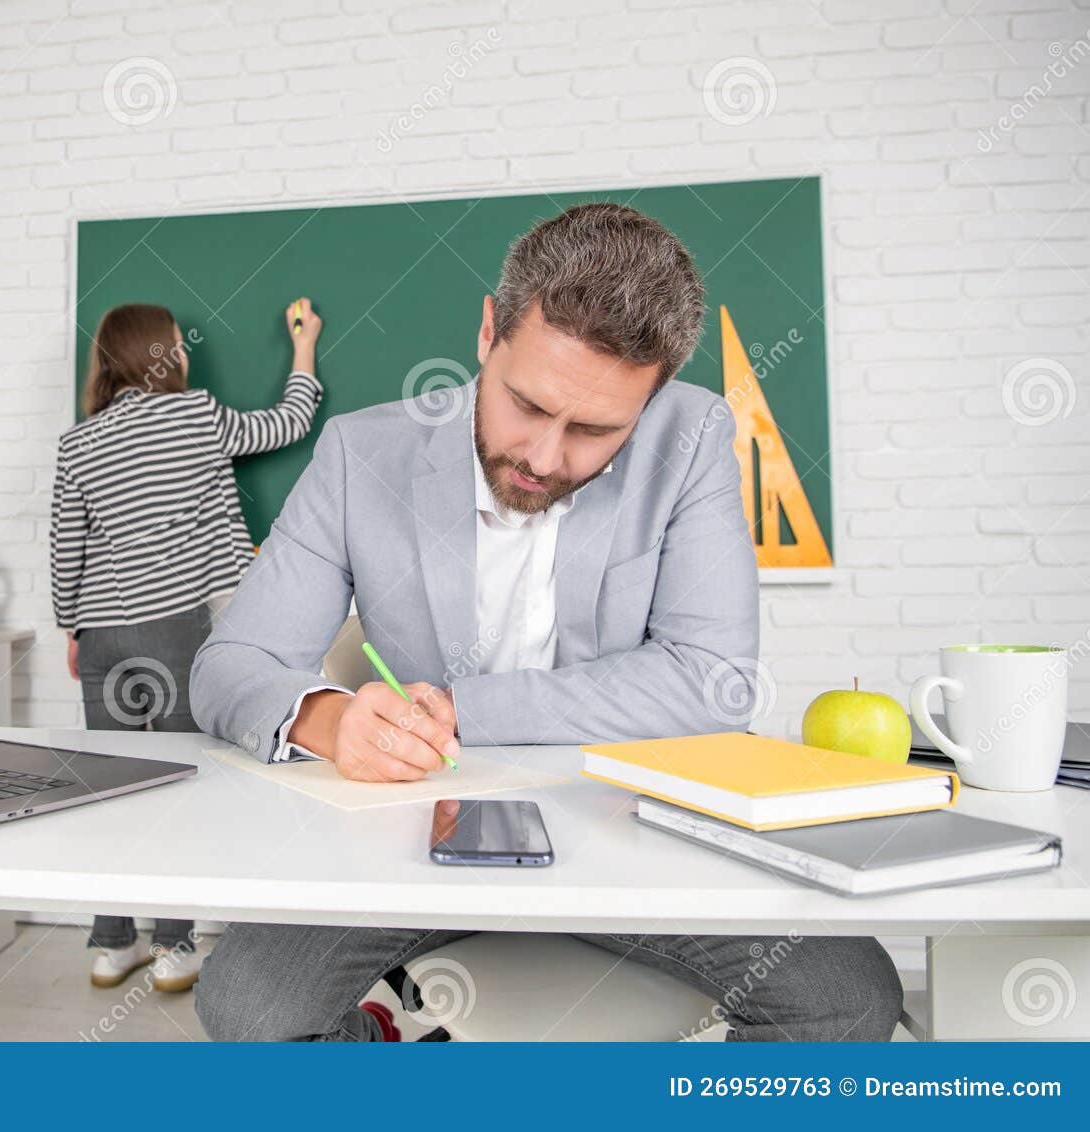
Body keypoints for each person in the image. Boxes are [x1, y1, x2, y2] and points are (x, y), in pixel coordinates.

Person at [188, 204, 903, 1041]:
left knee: (847, 999)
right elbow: (232, 663)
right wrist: (327, 716)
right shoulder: (358, 454)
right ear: (489, 332)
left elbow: (711, 684)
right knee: (248, 1008)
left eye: (597, 429)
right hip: (414, 821)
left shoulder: (695, 435)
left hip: (631, 820)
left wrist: (461, 710)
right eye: (526, 404)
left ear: (656, 393)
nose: (544, 457)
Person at [51, 299, 324, 993]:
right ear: (163, 355)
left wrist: (72, 628)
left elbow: (66, 549)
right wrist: (303, 347)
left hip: (106, 632)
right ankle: (173, 949)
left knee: (110, 791)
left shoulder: (79, 443)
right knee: (175, 787)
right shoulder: (197, 416)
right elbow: (290, 423)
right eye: (178, 343)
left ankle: (112, 946)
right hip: (178, 628)